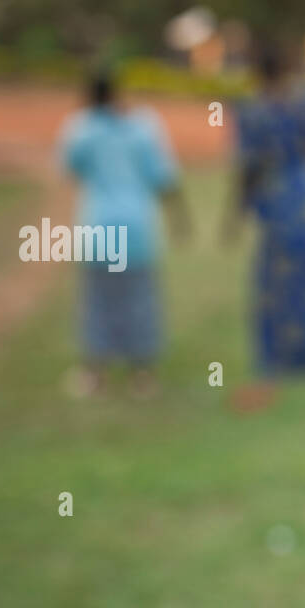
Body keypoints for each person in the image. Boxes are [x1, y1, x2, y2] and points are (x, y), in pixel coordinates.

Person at [60, 69, 189, 399]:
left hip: (100, 227)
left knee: (99, 302)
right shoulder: (144, 126)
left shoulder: (82, 128)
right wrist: (180, 220)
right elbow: (165, 178)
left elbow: (71, 168)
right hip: (136, 229)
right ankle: (142, 376)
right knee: (139, 301)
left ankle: (94, 375)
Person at [224, 46, 305, 410]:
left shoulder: (252, 111)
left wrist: (235, 215)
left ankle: (277, 358)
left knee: (276, 283)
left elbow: (248, 167)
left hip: (279, 202)